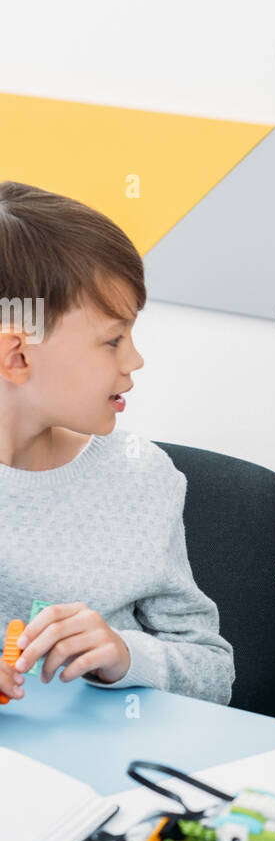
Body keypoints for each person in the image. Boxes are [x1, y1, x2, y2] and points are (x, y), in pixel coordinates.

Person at [0, 181, 235, 705]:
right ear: (17, 355)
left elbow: (213, 674)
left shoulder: (140, 477)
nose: (134, 360)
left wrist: (126, 656)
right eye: (112, 340)